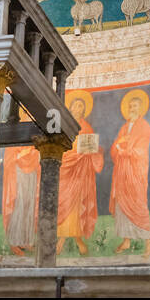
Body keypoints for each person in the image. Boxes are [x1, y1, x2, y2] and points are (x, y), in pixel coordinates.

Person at [57, 91, 103, 255]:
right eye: (76, 105)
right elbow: (56, 146)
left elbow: (91, 147)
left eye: (81, 106)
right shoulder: (63, 125)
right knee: (64, 201)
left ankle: (77, 237)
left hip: (81, 171)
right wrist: (73, 152)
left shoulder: (86, 127)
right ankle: (61, 237)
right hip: (65, 169)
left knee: (76, 203)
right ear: (70, 107)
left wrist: (94, 150)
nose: (79, 108)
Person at [109, 90, 150, 255]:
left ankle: (148, 241)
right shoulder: (124, 127)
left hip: (136, 171)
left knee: (138, 204)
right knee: (122, 204)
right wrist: (119, 146)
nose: (132, 109)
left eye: (135, 106)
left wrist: (126, 150)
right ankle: (126, 241)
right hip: (122, 172)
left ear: (141, 109)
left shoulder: (144, 126)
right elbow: (114, 149)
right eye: (130, 106)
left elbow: (141, 149)